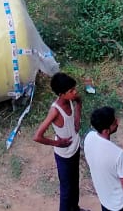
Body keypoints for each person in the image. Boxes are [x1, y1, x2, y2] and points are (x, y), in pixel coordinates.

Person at [33, 72, 85, 211]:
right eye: (71, 91)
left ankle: (75, 208)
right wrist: (57, 143)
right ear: (61, 94)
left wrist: (77, 118)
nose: (75, 92)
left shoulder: (71, 99)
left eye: (74, 89)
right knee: (66, 190)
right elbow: (37, 136)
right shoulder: (55, 111)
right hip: (64, 155)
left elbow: (79, 101)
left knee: (75, 182)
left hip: (75, 148)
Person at [84, 107, 123, 211]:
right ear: (106, 131)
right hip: (120, 204)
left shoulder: (89, 137)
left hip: (104, 199)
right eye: (114, 123)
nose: (117, 122)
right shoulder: (118, 154)